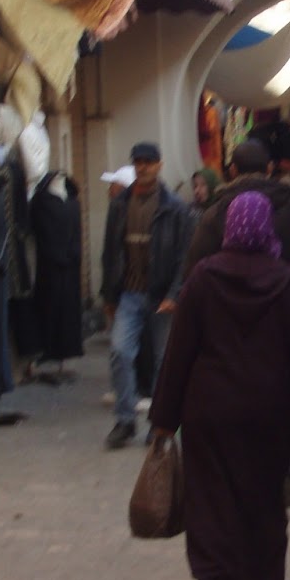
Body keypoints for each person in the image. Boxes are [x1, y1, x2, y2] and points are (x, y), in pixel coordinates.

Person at [149, 192, 290, 580]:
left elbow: (179, 353)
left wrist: (164, 417)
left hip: (208, 409)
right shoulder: (288, 281)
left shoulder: (202, 279)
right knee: (262, 498)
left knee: (210, 498)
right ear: (267, 230)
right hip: (269, 412)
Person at [186, 138, 290, 502]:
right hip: (288, 313)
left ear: (232, 171)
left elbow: (193, 267)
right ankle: (286, 471)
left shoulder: (218, 210)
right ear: (271, 168)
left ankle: (240, 471)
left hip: (229, 320)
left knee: (234, 392)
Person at [100, 141, 194, 448]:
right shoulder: (120, 205)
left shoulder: (175, 209)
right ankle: (125, 420)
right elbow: (110, 253)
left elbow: (184, 257)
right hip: (129, 293)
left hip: (160, 296)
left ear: (159, 165)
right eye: (138, 161)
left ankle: (160, 424)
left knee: (162, 362)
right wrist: (109, 295)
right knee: (120, 352)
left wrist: (174, 294)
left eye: (148, 162)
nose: (142, 167)